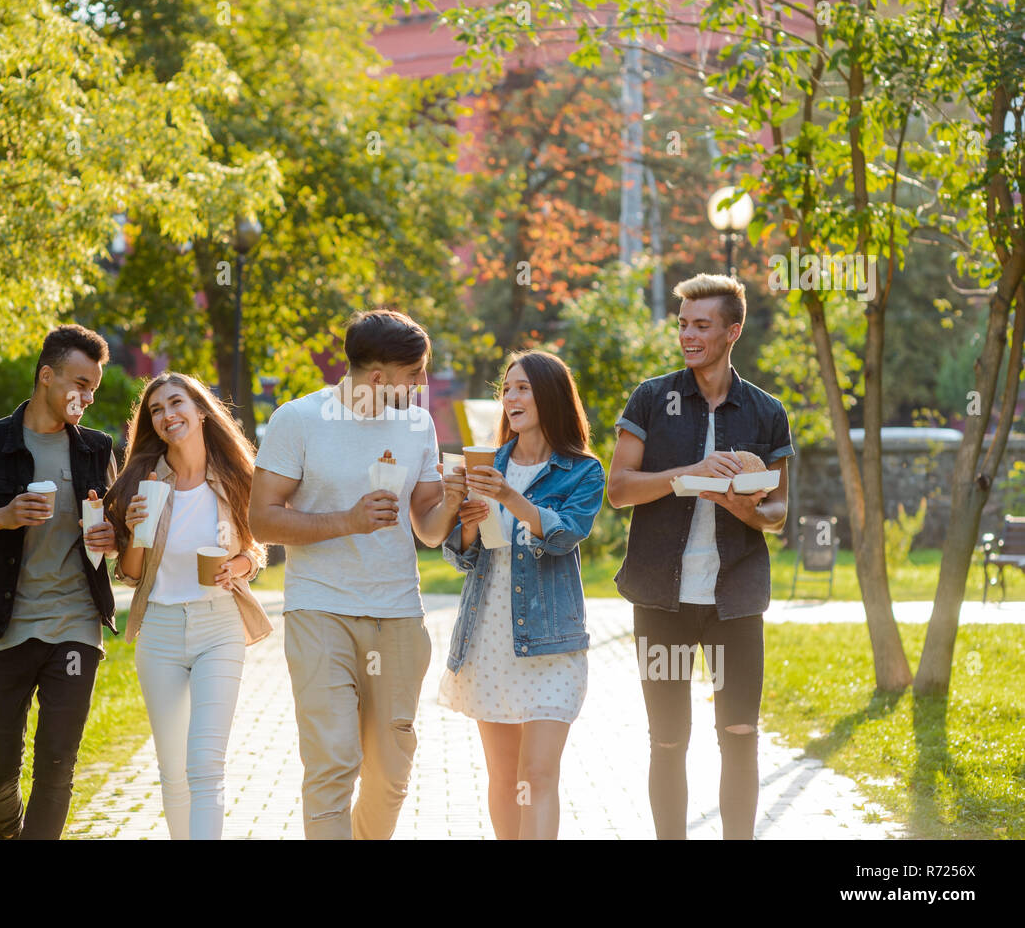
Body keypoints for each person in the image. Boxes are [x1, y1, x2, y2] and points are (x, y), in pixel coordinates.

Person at [248, 309, 465, 839]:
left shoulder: (418, 424)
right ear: (377, 377)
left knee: (391, 773)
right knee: (333, 762)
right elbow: (262, 519)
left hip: (398, 613)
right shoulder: (298, 419)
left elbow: (430, 528)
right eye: (414, 374)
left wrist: (458, 496)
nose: (422, 384)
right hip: (320, 609)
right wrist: (348, 520)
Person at [606, 273, 793, 840]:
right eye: (683, 324)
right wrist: (687, 475)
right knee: (667, 739)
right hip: (660, 598)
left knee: (738, 732)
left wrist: (740, 506)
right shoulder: (651, 398)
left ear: (732, 331)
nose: (688, 335)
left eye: (701, 325)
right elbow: (619, 489)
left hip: (735, 600)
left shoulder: (765, 411)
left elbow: (779, 510)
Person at [0, 324, 119, 840]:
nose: (86, 397)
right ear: (46, 376)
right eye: (79, 384)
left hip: (76, 627)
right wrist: (4, 516)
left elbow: (116, 537)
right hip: (2, 627)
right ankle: (10, 831)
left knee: (57, 765)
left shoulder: (97, 450)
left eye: (94, 389)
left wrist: (111, 538)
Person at [438, 350, 605, 839]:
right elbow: (463, 558)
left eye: (523, 387)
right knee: (505, 778)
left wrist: (511, 498)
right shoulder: (485, 464)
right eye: (507, 388)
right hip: (489, 636)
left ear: (550, 395)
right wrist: (466, 528)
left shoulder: (582, 472)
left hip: (551, 642)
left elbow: (565, 535)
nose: (511, 397)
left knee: (538, 774)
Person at [103, 372, 270, 840]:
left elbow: (254, 550)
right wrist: (136, 528)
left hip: (219, 628)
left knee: (205, 764)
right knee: (173, 768)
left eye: (176, 403)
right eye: (155, 410)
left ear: (200, 410)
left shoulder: (237, 473)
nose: (166, 415)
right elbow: (132, 574)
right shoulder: (144, 478)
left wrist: (235, 566)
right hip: (158, 630)